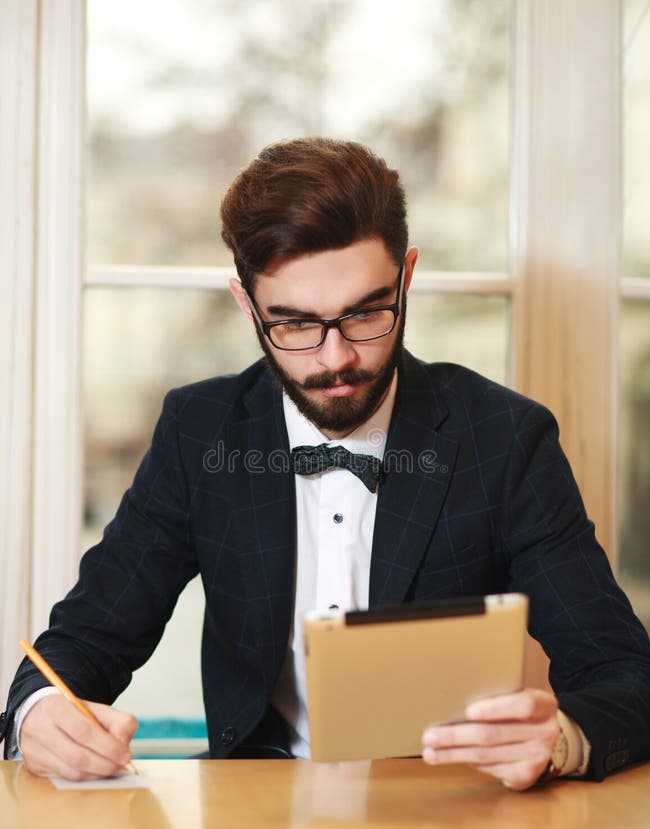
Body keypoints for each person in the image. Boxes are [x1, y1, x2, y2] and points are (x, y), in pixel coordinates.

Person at [2, 137, 650, 790]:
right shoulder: (198, 433)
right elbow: (84, 641)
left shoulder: (504, 439)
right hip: (253, 820)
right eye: (293, 324)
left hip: (450, 820)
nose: (335, 358)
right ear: (246, 305)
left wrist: (562, 737)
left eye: (366, 313)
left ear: (407, 277)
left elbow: (625, 675)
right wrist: (40, 714)